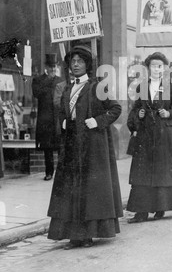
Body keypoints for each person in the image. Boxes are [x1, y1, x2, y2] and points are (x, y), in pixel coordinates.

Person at [47, 45, 123, 250]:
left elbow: (116, 109)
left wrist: (98, 121)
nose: (76, 64)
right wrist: (62, 122)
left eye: (80, 61)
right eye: (73, 62)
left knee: (89, 192)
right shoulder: (66, 88)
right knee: (72, 191)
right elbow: (62, 112)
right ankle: (74, 236)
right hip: (72, 146)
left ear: (87, 65)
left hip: (92, 147)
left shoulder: (97, 86)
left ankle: (88, 234)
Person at [127, 52, 172, 223]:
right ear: (148, 68)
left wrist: (168, 113)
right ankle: (141, 211)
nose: (156, 69)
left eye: (160, 66)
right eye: (153, 66)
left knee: (162, 170)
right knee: (143, 172)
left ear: (165, 68)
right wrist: (138, 114)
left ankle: (161, 206)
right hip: (146, 133)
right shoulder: (141, 87)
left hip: (164, 134)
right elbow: (135, 109)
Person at [32, 54, 62, 181]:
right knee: (47, 148)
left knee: (61, 147)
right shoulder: (38, 80)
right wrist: (48, 80)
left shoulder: (61, 81)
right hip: (45, 119)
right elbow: (36, 93)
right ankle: (49, 172)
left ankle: (61, 173)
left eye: (54, 66)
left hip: (58, 119)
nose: (53, 69)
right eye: (50, 67)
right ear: (46, 67)